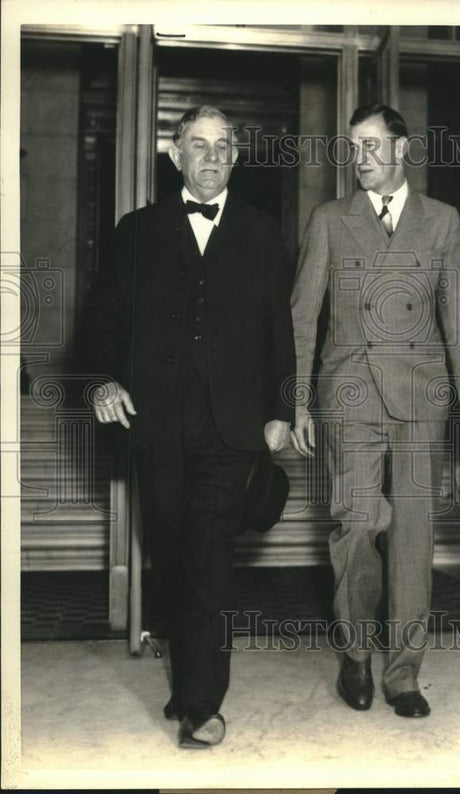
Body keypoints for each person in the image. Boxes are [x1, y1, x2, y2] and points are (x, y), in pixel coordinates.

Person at [84, 105, 295, 747]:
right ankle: (186, 680)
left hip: (231, 429)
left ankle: (204, 703)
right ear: (175, 157)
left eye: (223, 145)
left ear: (235, 157)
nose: (211, 156)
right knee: (172, 556)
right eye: (197, 145)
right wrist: (102, 379)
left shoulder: (262, 232)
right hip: (158, 423)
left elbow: (277, 331)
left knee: (209, 558)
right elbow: (103, 319)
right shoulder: (137, 231)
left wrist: (282, 410)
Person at [290, 103, 460, 719]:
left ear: (404, 150)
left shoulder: (441, 222)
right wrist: (298, 400)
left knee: (412, 536)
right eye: (354, 148)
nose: (362, 159)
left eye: (374, 146)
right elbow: (303, 314)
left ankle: (404, 674)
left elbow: (459, 317)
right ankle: (355, 652)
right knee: (356, 525)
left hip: (420, 397)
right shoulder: (330, 220)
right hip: (349, 393)